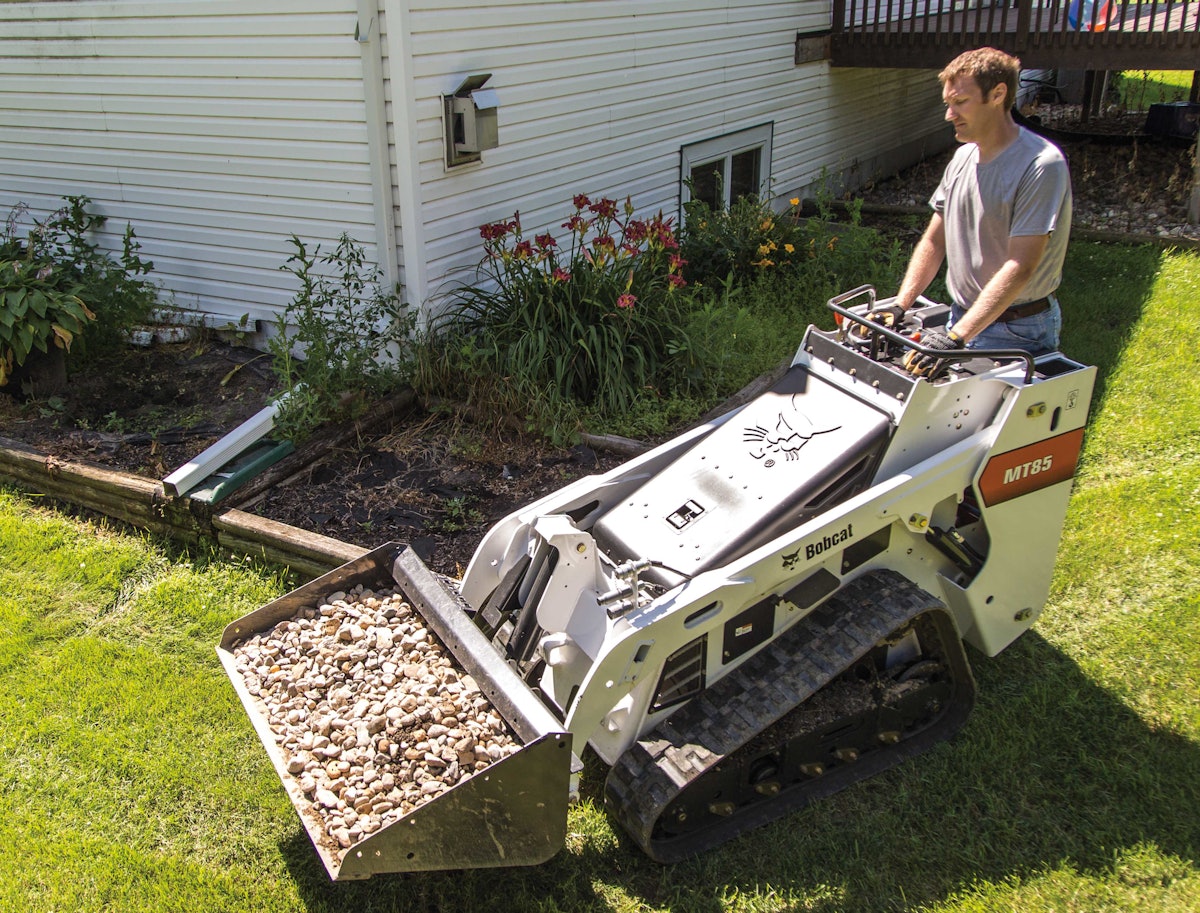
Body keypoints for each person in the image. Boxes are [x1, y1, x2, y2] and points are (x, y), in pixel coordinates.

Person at [876, 47, 1073, 375]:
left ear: (998, 95)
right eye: (948, 104)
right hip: (962, 317)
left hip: (1018, 330)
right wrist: (900, 304)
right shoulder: (962, 158)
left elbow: (1021, 265)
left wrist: (955, 338)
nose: (949, 115)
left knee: (1003, 426)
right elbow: (934, 242)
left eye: (960, 103)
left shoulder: (1040, 164)